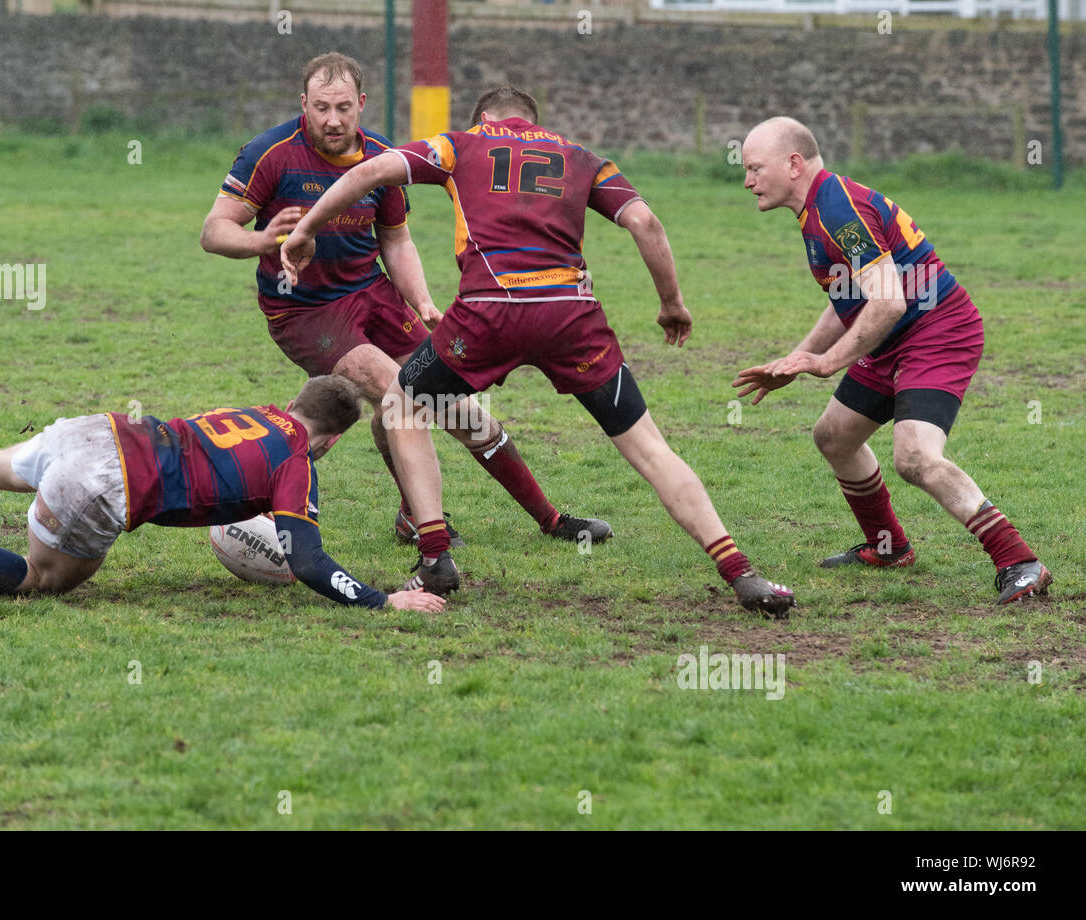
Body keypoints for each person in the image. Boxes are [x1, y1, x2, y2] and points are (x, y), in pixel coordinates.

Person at [281, 86, 794, 616]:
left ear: (484, 118)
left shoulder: (462, 144)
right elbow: (644, 222)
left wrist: (304, 230)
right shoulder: (581, 157)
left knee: (404, 404)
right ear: (534, 121)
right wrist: (671, 303)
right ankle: (741, 573)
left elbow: (365, 172)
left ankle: (435, 554)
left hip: (488, 311)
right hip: (569, 315)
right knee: (648, 448)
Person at [200, 53, 608, 553]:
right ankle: (248, 489)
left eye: (344, 107)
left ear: (362, 104)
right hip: (305, 311)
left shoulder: (381, 156)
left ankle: (547, 519)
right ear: (303, 103)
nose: (333, 119)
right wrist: (270, 242)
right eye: (322, 107)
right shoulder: (271, 153)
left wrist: (422, 302)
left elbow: (395, 240)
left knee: (459, 408)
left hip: (375, 297)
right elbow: (214, 231)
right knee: (401, 393)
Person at [732, 116, 1051, 605]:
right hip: (894, 336)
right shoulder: (819, 205)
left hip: (938, 330)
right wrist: (801, 356)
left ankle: (1020, 561)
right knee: (834, 436)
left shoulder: (837, 210)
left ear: (793, 164)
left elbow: (888, 302)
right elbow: (852, 297)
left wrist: (826, 363)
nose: (748, 179)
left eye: (755, 168)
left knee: (916, 457)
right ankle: (889, 547)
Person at [0, 375, 445, 613]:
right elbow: (307, 559)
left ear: (292, 406)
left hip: (100, 430)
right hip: (105, 485)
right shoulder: (297, 463)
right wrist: (381, 600)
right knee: (42, 580)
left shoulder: (260, 413)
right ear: (332, 441)